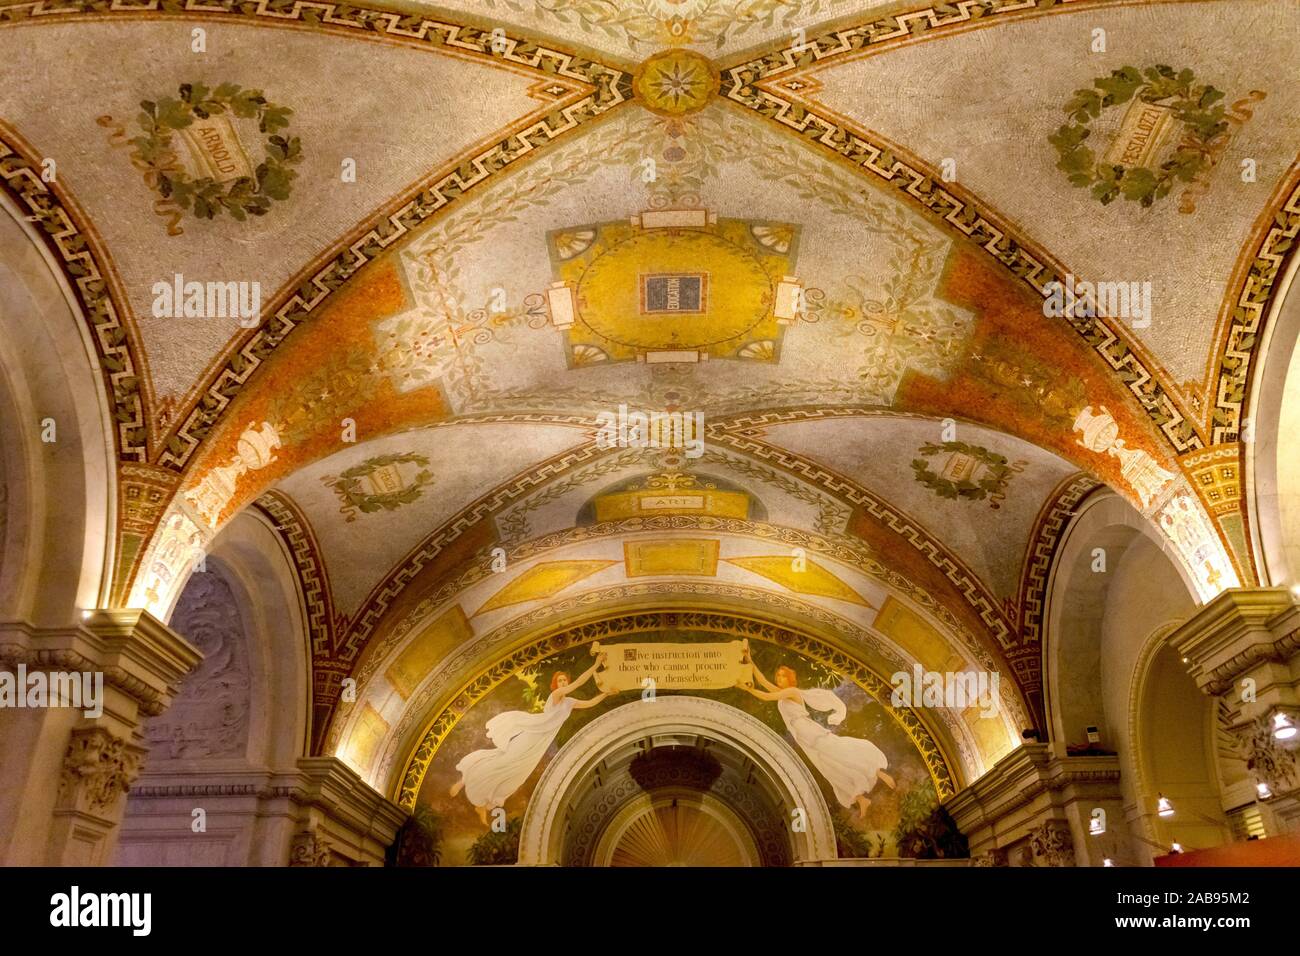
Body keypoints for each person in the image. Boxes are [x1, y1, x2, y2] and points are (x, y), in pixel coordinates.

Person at [450, 653, 611, 824]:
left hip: (540, 744)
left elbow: (591, 703)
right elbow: (579, 682)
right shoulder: (556, 695)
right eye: (560, 681)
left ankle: (485, 803)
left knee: (517, 775)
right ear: (555, 685)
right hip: (531, 736)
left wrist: (606, 694)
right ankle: (465, 779)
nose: (563, 683)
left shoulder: (569, 702)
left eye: (565, 681)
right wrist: (596, 664)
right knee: (504, 761)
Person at [738, 657, 895, 820]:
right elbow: (763, 682)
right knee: (829, 768)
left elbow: (766, 696)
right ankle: (861, 799)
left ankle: (879, 772)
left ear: (791, 679)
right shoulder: (782, 695)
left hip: (810, 732)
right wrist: (750, 661)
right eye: (777, 676)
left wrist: (748, 689)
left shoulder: (792, 692)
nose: (779, 679)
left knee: (841, 752)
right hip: (803, 738)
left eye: (783, 675)